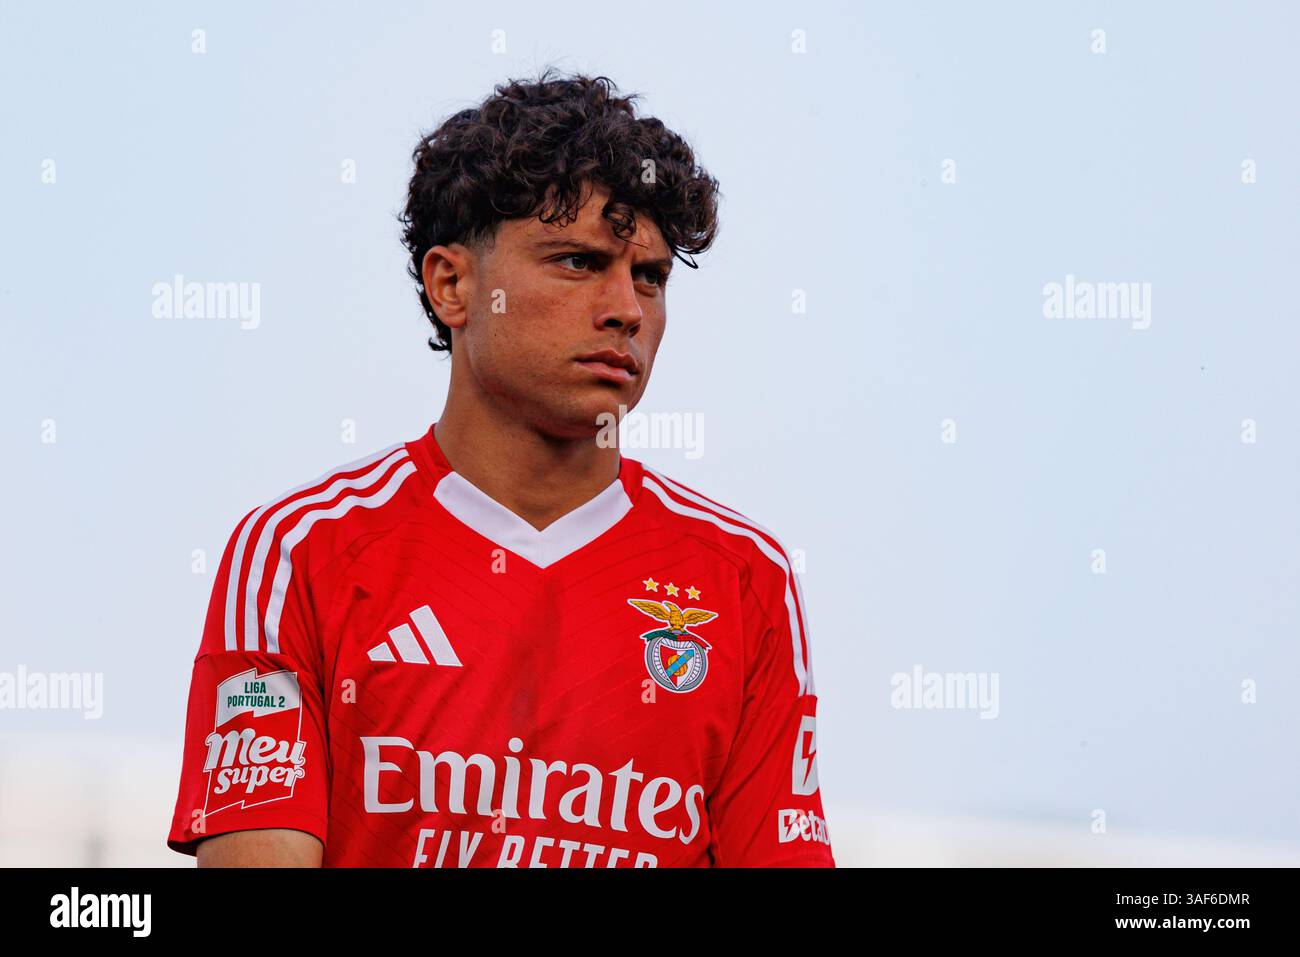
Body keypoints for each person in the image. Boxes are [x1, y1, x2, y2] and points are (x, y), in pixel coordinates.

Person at [166, 70, 833, 867]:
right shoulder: (298, 555)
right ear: (453, 284)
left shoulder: (744, 580)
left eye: (650, 276)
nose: (626, 306)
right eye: (579, 262)